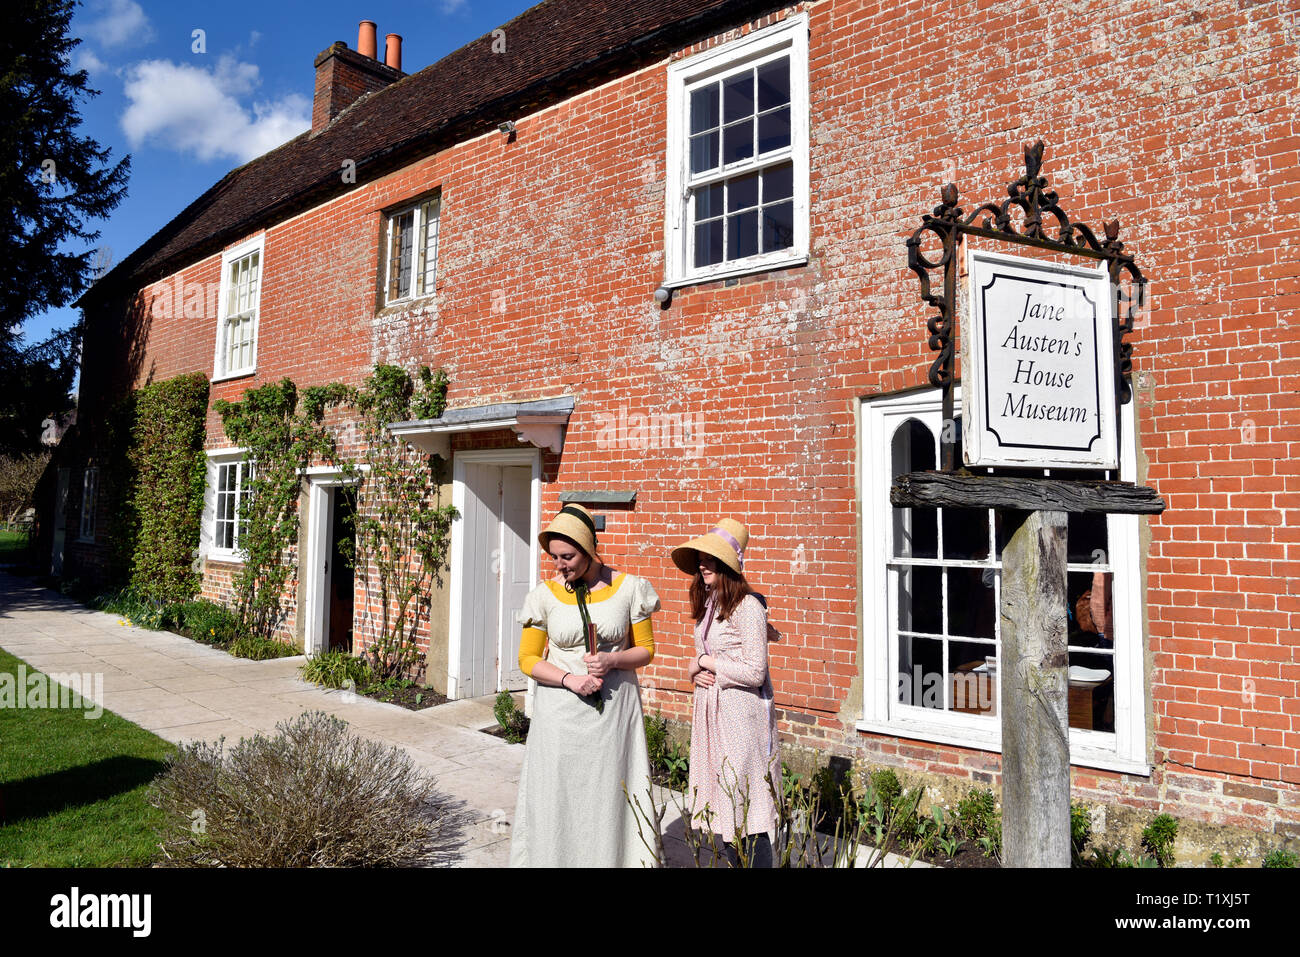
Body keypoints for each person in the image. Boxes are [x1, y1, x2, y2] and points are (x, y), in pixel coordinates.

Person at [509, 503, 661, 867]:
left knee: (608, 793)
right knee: (559, 795)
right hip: (559, 717)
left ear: (590, 549)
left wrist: (612, 659)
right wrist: (570, 679)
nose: (560, 565)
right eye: (555, 557)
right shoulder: (544, 595)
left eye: (568, 556)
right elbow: (527, 659)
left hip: (612, 717)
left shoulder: (630, 588)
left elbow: (646, 651)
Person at [672, 518, 778, 867]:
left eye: (711, 559)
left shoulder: (748, 607)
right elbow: (707, 660)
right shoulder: (710, 605)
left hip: (739, 716)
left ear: (729, 565)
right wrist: (695, 668)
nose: (703, 564)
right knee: (725, 803)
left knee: (747, 800)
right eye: (701, 558)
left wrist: (706, 662)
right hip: (712, 716)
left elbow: (755, 671)